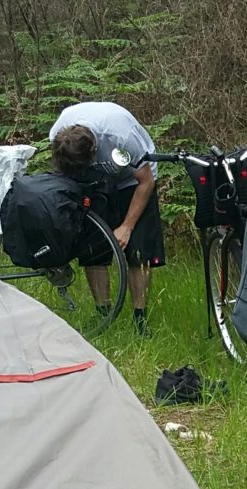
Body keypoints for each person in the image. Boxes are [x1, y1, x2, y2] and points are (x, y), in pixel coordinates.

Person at [48, 101, 162, 333]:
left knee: (137, 251)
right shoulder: (58, 137)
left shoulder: (120, 135)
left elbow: (146, 181)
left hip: (135, 180)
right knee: (93, 248)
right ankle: (103, 314)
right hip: (94, 182)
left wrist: (127, 227)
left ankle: (140, 319)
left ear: (93, 151)